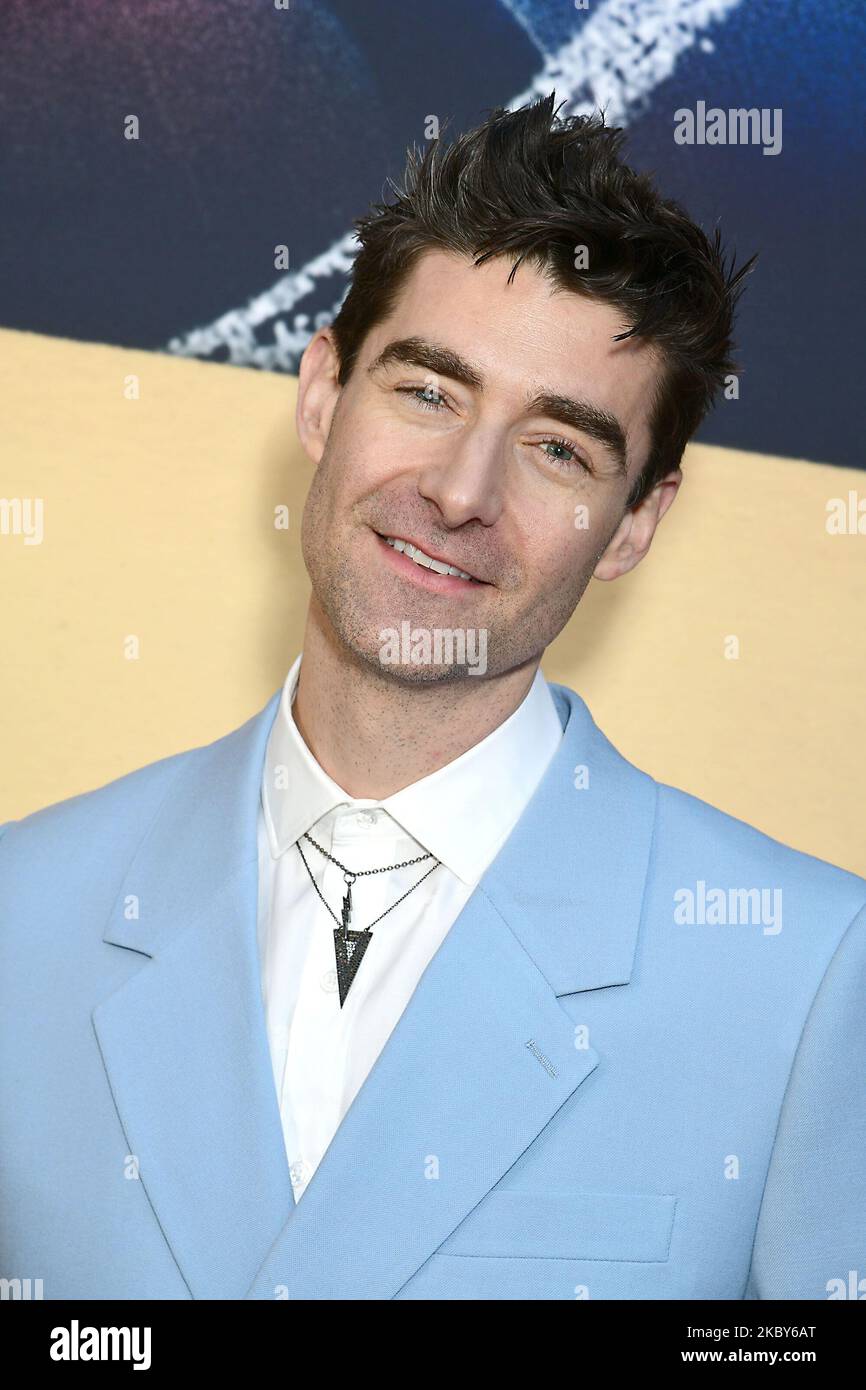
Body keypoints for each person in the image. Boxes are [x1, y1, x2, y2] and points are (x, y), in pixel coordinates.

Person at [2, 94, 864, 1302]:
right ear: (321, 394)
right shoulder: (21, 913)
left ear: (634, 525)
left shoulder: (811, 975)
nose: (462, 491)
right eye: (426, 393)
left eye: (558, 448)